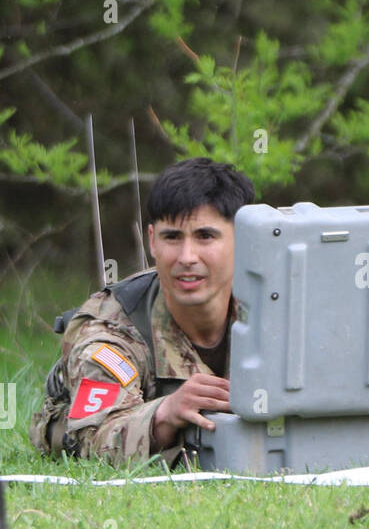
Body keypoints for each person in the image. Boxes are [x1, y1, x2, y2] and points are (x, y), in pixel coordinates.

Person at [29, 157, 256, 466]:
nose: (187, 257)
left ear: (244, 238)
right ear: (152, 241)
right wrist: (165, 414)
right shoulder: (111, 328)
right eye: (172, 237)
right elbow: (92, 438)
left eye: (205, 236)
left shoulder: (274, 304)